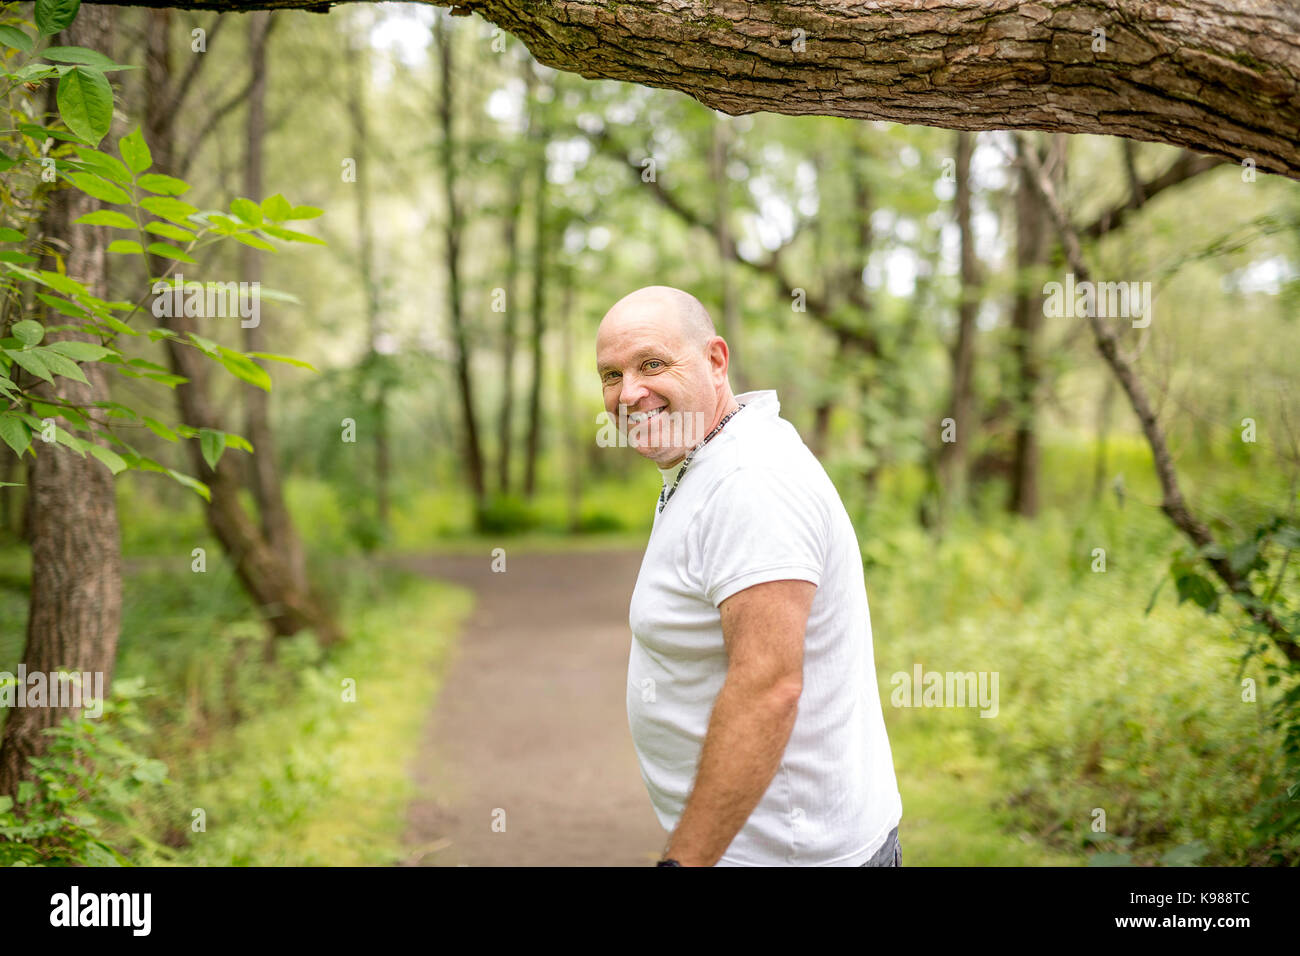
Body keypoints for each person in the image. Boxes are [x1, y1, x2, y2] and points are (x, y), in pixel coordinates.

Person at [595, 285, 903, 866]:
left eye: (652, 364)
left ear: (715, 360)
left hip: (791, 855)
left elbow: (768, 692)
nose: (628, 392)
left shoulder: (750, 482)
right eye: (611, 375)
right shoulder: (707, 459)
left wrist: (682, 862)